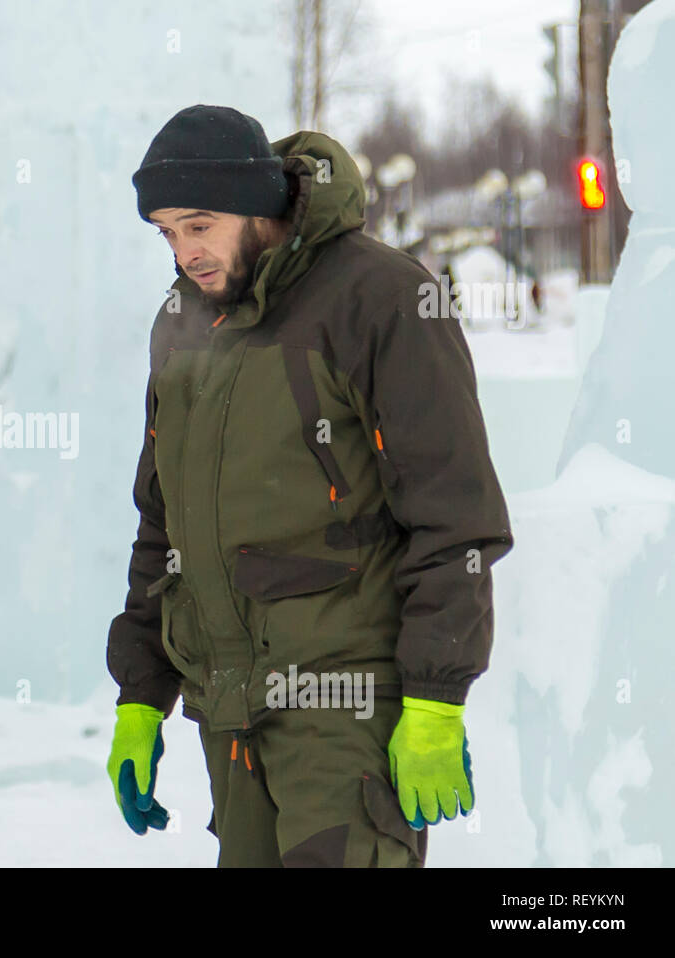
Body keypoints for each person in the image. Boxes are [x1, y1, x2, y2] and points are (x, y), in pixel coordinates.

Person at [105, 105, 514, 867]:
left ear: (260, 207)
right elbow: (163, 523)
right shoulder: (186, 320)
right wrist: (140, 691)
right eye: (165, 231)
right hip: (228, 714)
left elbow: (455, 517)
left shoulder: (381, 297)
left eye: (199, 224)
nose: (184, 251)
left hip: (344, 707)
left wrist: (434, 697)